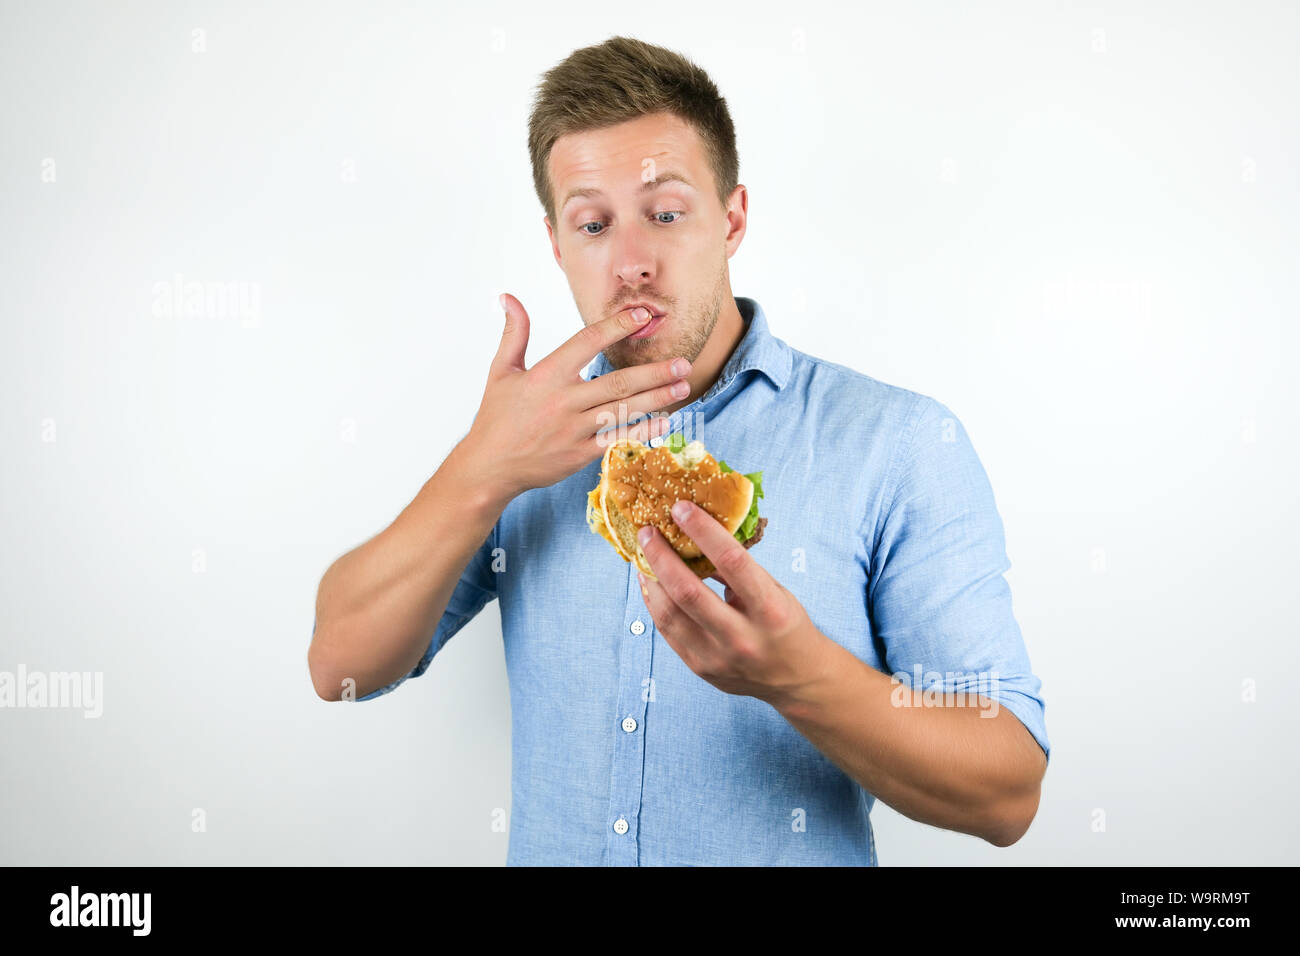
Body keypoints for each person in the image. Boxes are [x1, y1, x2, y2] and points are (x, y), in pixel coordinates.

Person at [308, 35, 1049, 866]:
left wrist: (797, 676)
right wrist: (481, 470)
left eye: (665, 213)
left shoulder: (898, 443)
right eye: (593, 224)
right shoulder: (522, 447)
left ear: (731, 219)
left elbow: (1008, 789)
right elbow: (339, 663)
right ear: (556, 245)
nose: (630, 264)